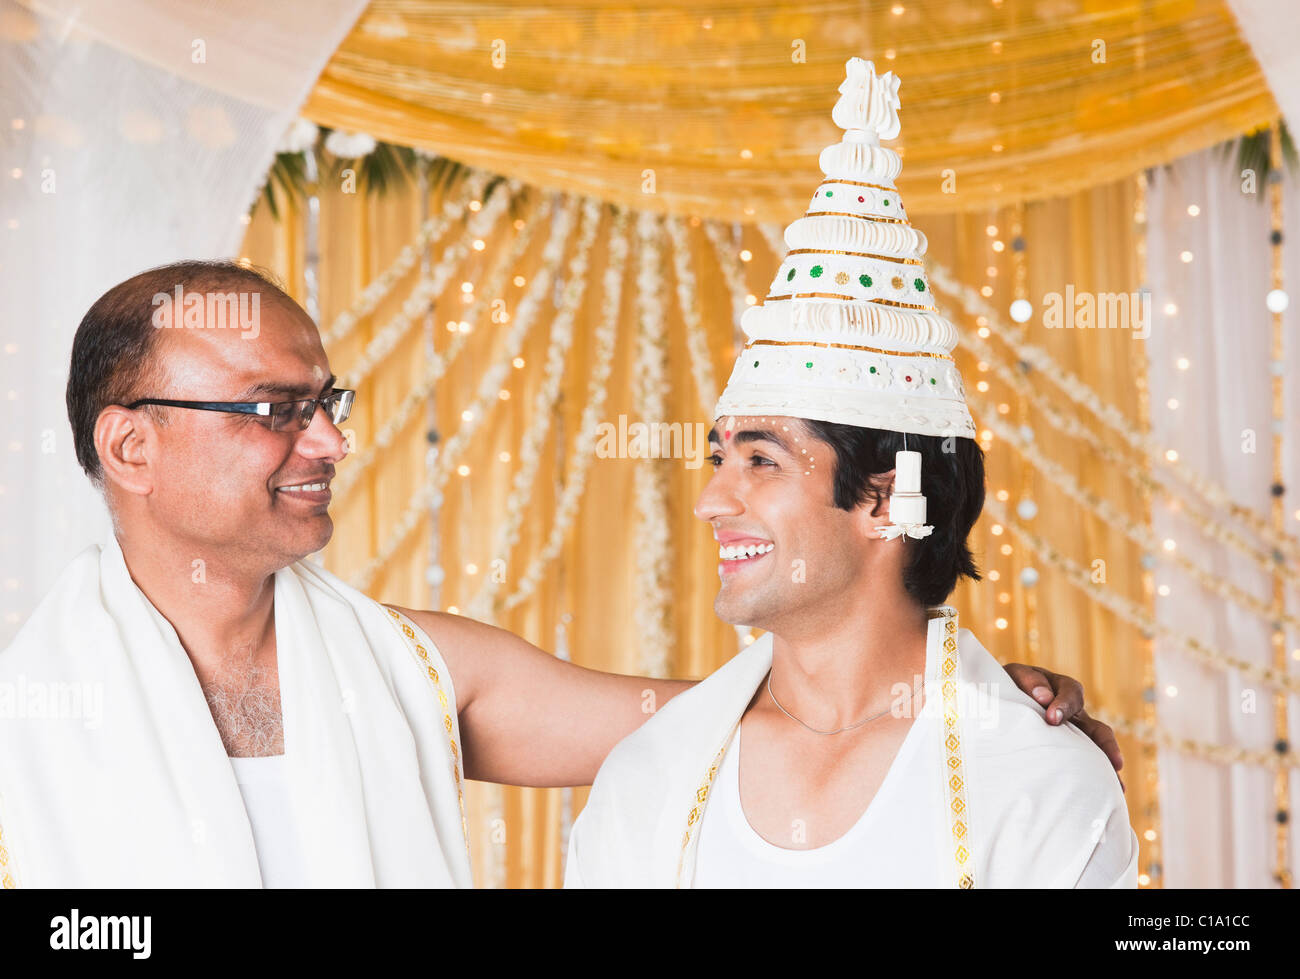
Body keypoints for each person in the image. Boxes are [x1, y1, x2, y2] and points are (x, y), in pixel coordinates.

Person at [0, 211, 1116, 889]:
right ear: (132, 444)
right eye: (274, 408)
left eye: (326, 400)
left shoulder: (412, 668)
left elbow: (751, 723)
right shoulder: (25, 712)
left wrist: (956, 697)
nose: (332, 438)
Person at [563, 58, 1137, 889]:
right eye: (720, 459)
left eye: (762, 460)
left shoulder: (1041, 785)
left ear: (882, 499)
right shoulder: (648, 775)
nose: (712, 499)